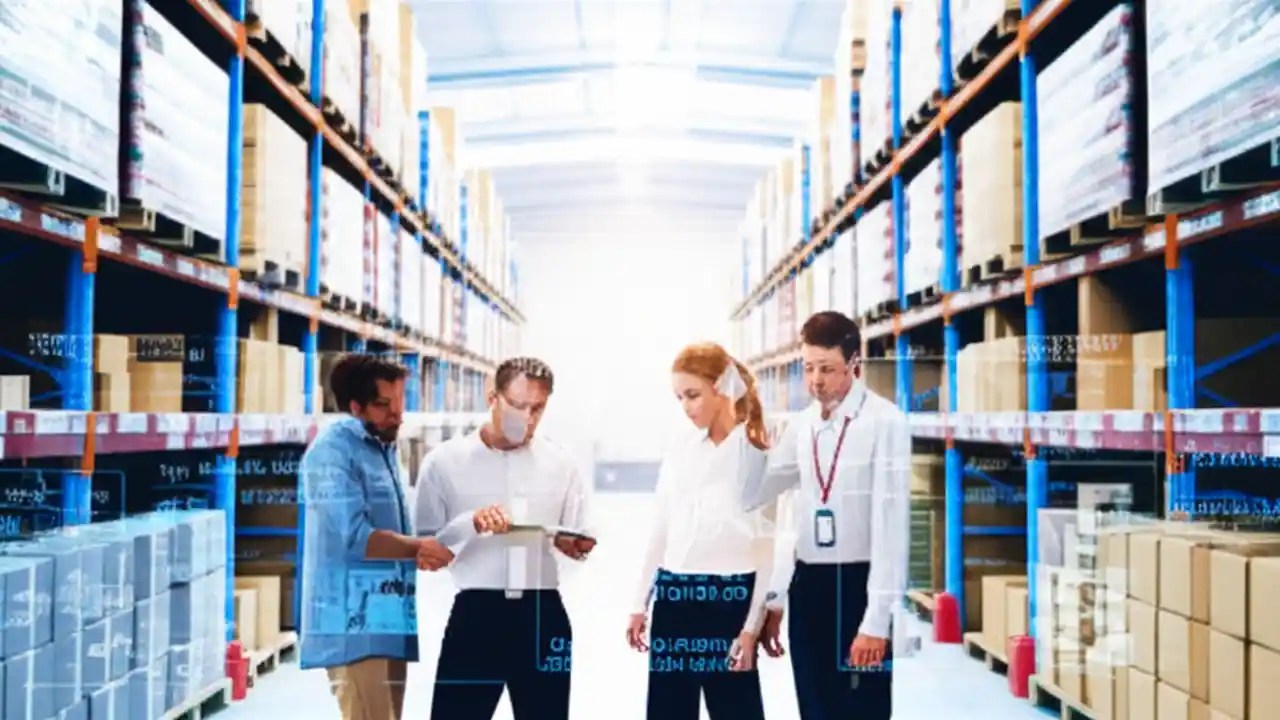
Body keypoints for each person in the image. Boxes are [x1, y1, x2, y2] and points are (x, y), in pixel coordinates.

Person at [741, 311, 911, 720]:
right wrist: (746, 436)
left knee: (862, 708)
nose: (816, 380)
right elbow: (758, 495)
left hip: (858, 584)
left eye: (828, 369)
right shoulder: (801, 427)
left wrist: (876, 620)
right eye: (809, 368)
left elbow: (892, 526)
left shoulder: (885, 422)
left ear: (855, 365)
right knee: (814, 708)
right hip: (810, 585)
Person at [414, 356, 596, 720]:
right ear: (491, 397)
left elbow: (578, 539)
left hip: (544, 616)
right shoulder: (444, 463)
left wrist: (576, 547)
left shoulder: (562, 465)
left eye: (538, 408)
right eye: (517, 405)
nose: (527, 419)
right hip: (476, 616)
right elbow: (426, 555)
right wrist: (471, 524)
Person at [298, 353, 455, 720]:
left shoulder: (383, 448)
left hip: (388, 614)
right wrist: (419, 548)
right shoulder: (331, 454)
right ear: (355, 407)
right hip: (352, 623)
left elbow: (399, 522)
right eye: (384, 406)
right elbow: (355, 537)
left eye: (400, 404)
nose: (397, 415)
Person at [626, 342, 774, 720]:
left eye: (693, 394)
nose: (687, 407)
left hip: (730, 599)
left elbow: (767, 551)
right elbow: (660, 529)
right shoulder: (681, 449)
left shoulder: (758, 452)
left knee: (737, 711)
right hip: (675, 597)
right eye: (680, 398)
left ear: (721, 385)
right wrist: (639, 603)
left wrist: (750, 627)